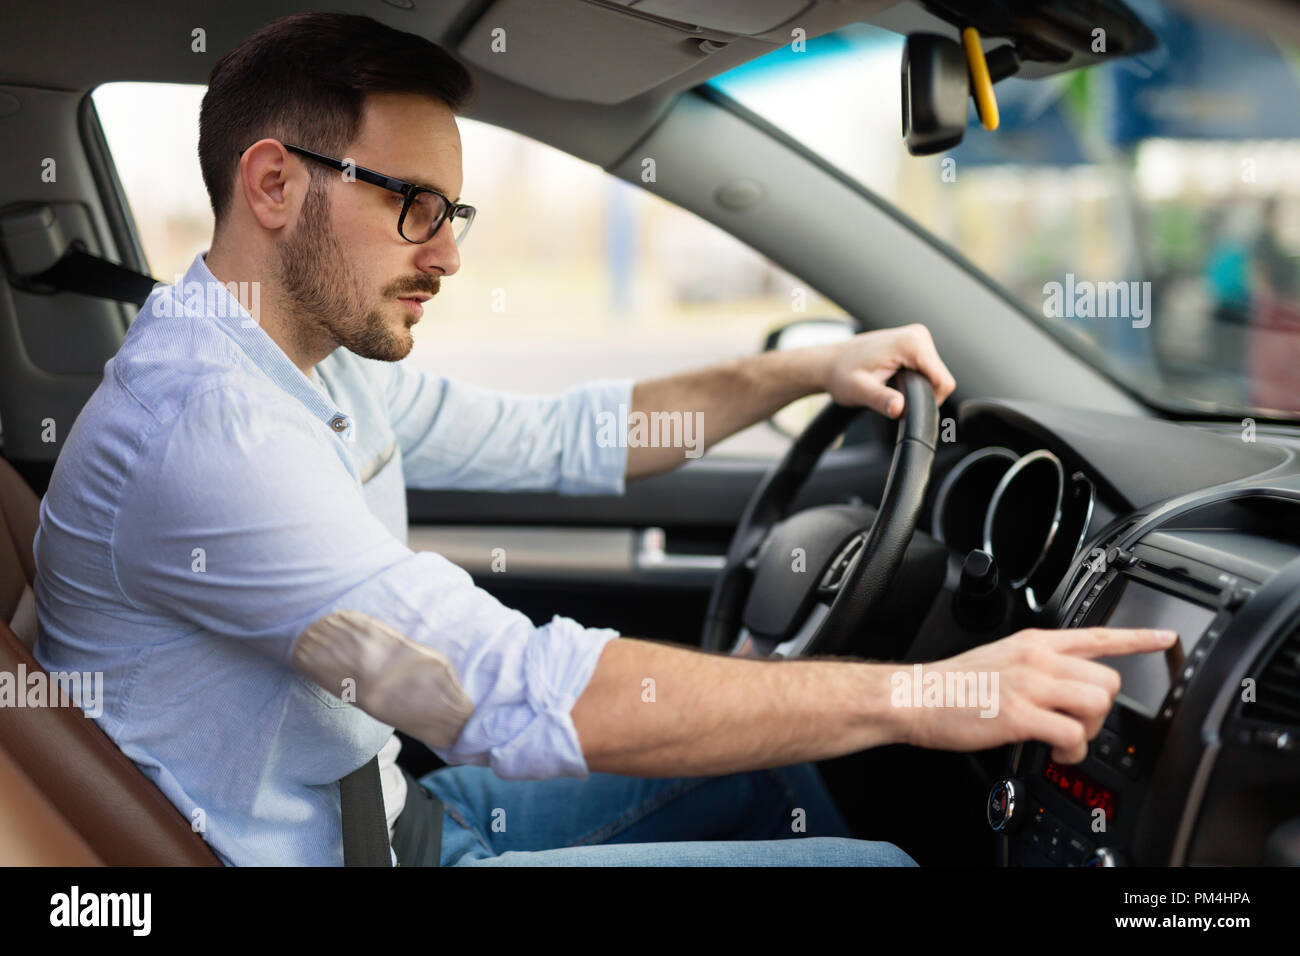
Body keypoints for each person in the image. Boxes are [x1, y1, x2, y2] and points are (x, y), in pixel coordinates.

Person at [32, 12, 1175, 866]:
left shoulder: (298, 363)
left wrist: (801, 367)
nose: (448, 255)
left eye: (454, 214)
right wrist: (929, 696)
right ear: (274, 183)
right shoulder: (206, 435)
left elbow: (562, 435)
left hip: (401, 808)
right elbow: (513, 689)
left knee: (780, 759)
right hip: (368, 856)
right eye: (413, 206)